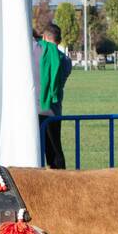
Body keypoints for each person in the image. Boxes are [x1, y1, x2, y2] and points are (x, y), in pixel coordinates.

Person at [38, 23, 70, 169]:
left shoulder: (39, 52)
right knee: (55, 151)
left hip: (39, 109)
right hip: (55, 110)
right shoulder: (66, 60)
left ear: (44, 37)